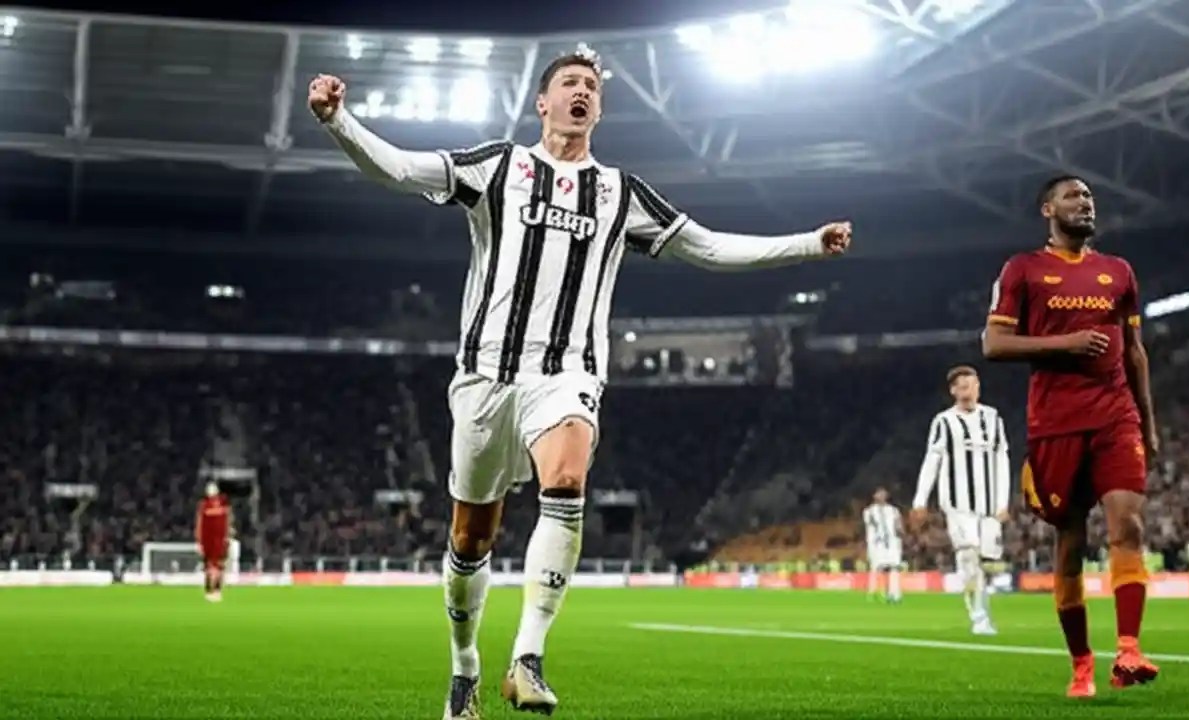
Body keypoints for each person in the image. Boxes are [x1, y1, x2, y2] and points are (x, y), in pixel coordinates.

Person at [307, 46, 852, 719]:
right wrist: (339, 121)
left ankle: (527, 659)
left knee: (565, 482)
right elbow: (400, 169)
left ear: (599, 107)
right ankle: (465, 667)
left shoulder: (620, 192)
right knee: (470, 537)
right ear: (543, 103)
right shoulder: (499, 167)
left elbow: (706, 246)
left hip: (565, 373)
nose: (581, 92)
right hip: (484, 377)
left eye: (591, 86)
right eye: (569, 82)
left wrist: (805, 242)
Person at [983, 175, 1160, 698]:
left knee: (1128, 526)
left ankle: (1129, 650)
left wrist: (1147, 420)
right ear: (1047, 209)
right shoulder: (1023, 270)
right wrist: (1068, 342)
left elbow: (1134, 351)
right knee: (1071, 544)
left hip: (1115, 416)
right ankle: (1081, 664)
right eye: (1072, 197)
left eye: (1088, 197)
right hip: (1056, 422)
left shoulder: (1118, 272)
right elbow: (994, 343)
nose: (1084, 203)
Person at [910, 365, 1009, 635]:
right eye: (962, 385)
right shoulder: (944, 421)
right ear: (953, 390)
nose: (968, 389)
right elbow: (932, 459)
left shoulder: (993, 418)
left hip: (989, 505)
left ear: (979, 387)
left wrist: (1003, 501)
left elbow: (1002, 458)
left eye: (972, 384)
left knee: (988, 558)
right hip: (958, 504)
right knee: (969, 553)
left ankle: (982, 604)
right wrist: (920, 500)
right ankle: (979, 617)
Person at [862, 488, 904, 604]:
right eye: (879, 493)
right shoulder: (869, 511)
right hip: (877, 543)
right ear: (874, 495)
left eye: (883, 493)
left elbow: (898, 525)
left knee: (894, 568)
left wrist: (901, 532)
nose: (881, 496)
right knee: (877, 568)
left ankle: (895, 594)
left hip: (892, 543)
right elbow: (873, 524)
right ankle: (875, 593)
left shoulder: (894, 510)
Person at [195, 481, 233, 603]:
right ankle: (211, 590)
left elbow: (228, 520)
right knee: (211, 566)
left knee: (217, 566)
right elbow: (200, 524)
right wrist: (199, 541)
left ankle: (215, 590)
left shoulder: (221, 503)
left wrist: (229, 534)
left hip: (217, 539)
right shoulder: (205, 505)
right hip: (211, 539)